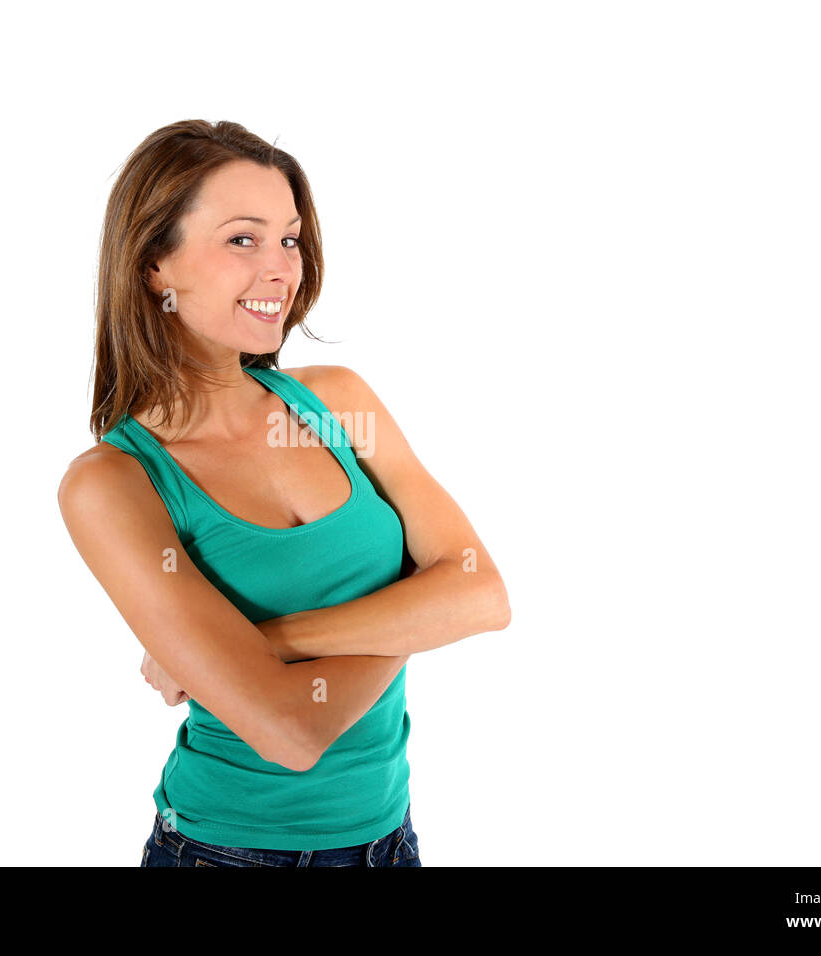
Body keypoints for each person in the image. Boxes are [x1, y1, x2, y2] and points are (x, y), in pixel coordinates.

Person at [58, 120, 510, 866]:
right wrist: (416, 605)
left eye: (290, 240)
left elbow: (484, 595)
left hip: (390, 842)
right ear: (153, 267)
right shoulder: (112, 483)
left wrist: (271, 642)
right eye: (243, 239)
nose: (280, 270)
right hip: (224, 852)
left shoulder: (337, 402)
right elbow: (292, 732)